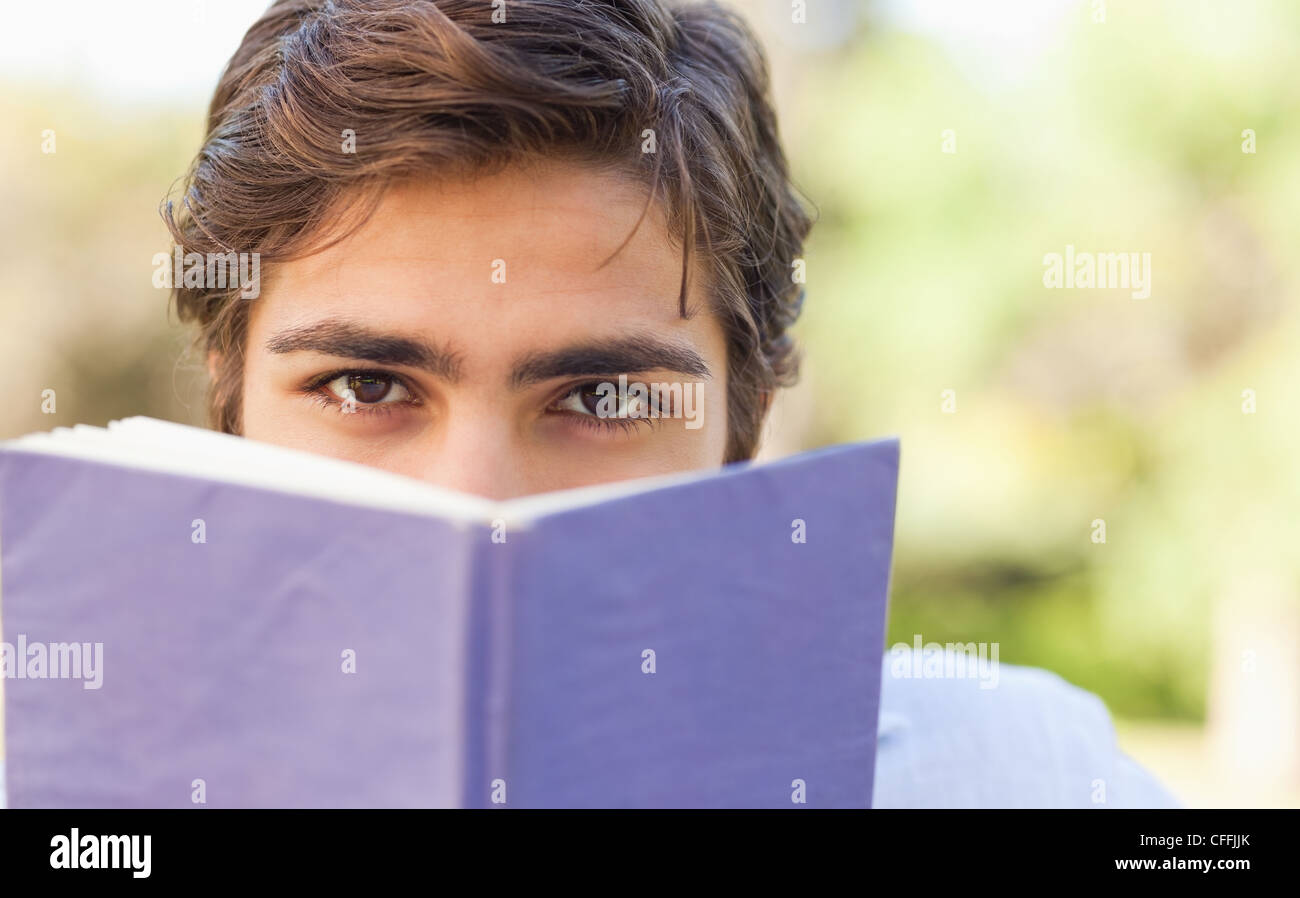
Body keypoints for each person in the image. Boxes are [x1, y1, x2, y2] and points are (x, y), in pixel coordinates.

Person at [0, 0, 1178, 808]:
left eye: (603, 394)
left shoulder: (1011, 772)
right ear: (230, 408)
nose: (478, 508)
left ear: (745, 423)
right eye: (365, 385)